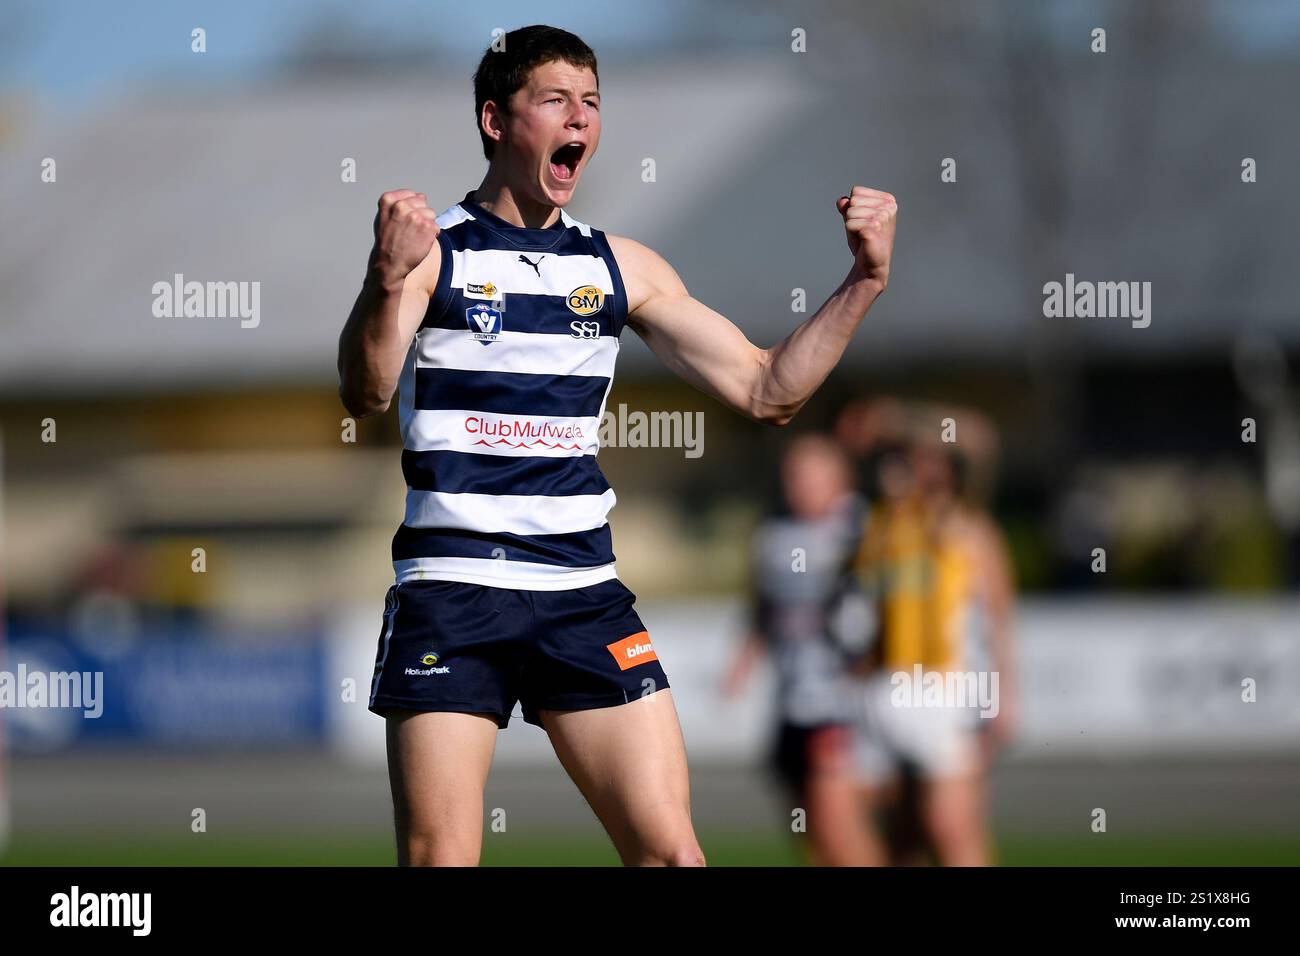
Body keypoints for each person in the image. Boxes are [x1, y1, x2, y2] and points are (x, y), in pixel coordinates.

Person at [336, 24, 898, 867]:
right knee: (440, 858)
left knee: (674, 855)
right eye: (556, 100)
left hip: (582, 594)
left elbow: (767, 389)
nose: (581, 119)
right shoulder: (431, 255)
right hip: (454, 591)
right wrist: (384, 281)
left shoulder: (618, 267)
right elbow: (366, 390)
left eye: (592, 102)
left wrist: (864, 280)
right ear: (495, 119)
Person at [721, 435, 880, 865]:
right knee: (808, 834)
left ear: (841, 479)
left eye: (812, 475)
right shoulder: (773, 534)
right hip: (790, 702)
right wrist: (742, 664)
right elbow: (762, 607)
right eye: (793, 475)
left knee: (839, 829)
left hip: (841, 704)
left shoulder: (863, 530)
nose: (800, 485)